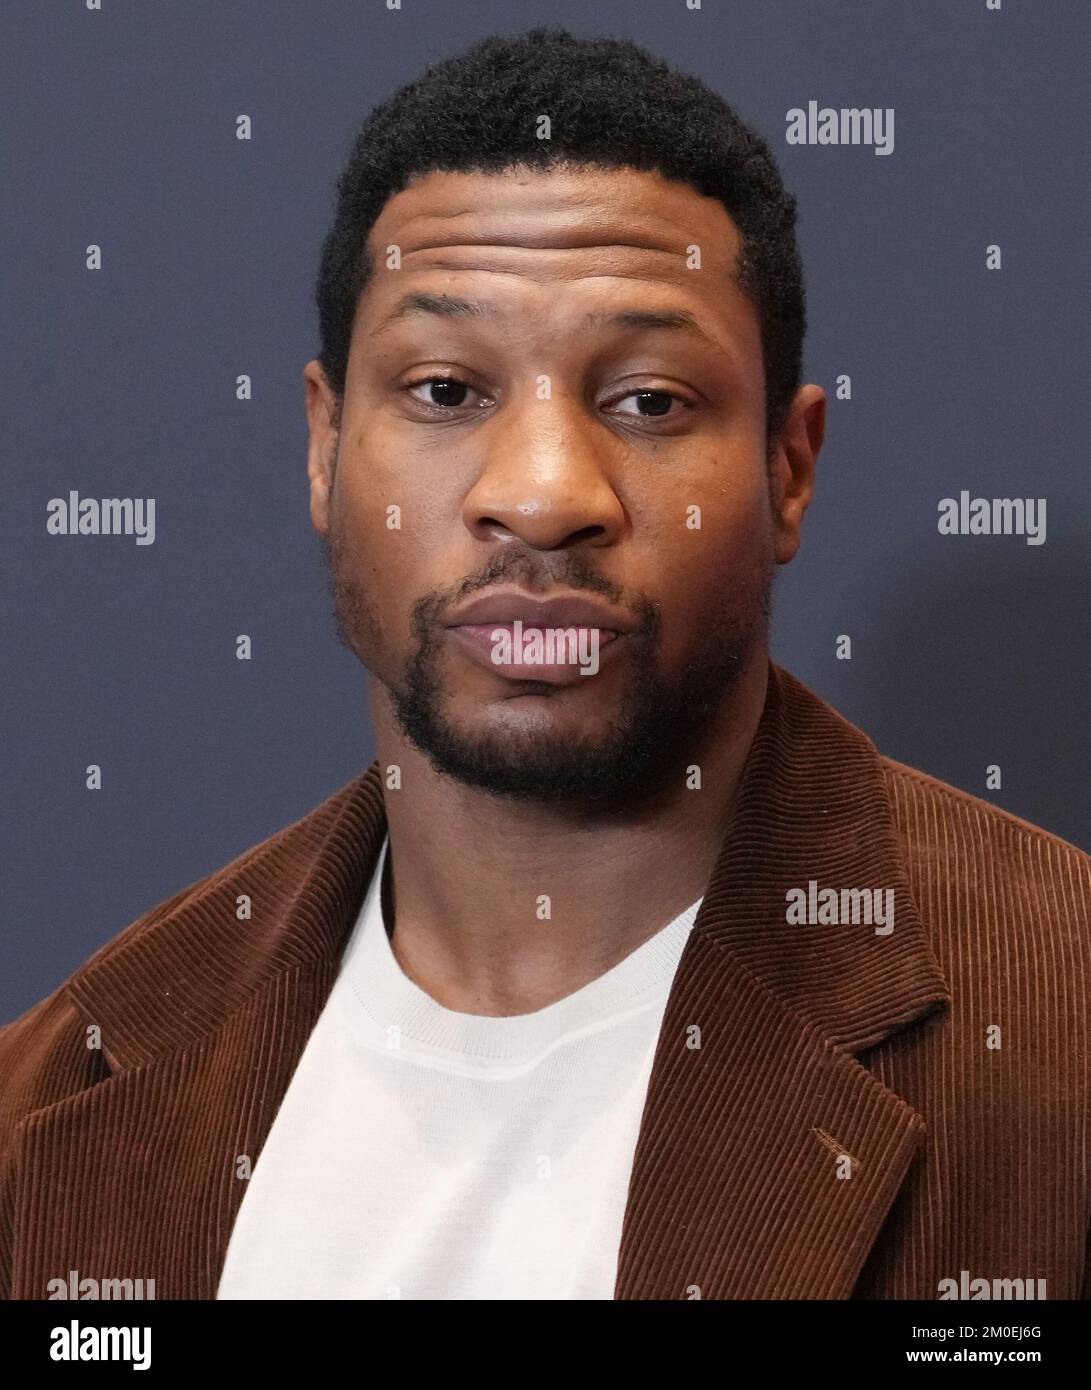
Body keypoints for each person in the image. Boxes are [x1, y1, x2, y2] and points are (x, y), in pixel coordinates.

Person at [1, 27, 1087, 1302]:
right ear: (322, 449)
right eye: (447, 389)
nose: (539, 495)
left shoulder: (1057, 1038)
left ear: (786, 470)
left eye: (648, 402)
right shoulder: (58, 1094)